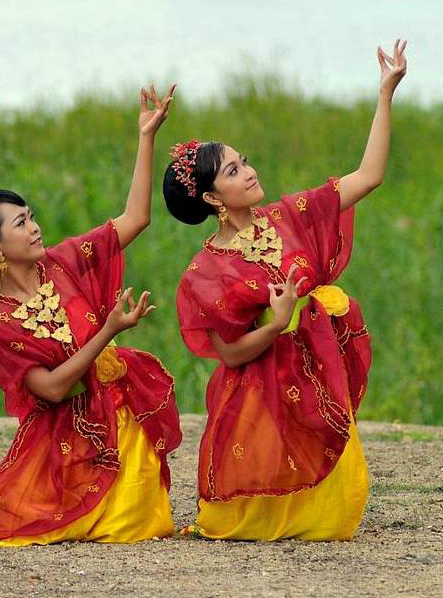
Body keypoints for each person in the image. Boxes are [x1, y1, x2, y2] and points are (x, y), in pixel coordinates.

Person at [165, 41, 407, 540]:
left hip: (318, 366)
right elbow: (230, 353)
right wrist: (276, 323)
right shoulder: (205, 271)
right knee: (261, 516)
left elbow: (370, 176)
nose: (249, 171)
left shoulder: (290, 213)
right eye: (233, 171)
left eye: (244, 160)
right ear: (212, 197)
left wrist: (385, 94)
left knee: (334, 519)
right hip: (262, 386)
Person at [0, 85, 182, 545]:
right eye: (20, 224)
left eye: (31, 217)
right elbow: (52, 389)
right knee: (30, 521)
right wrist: (109, 330)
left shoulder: (65, 260)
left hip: (116, 408)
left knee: (139, 523)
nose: (35, 228)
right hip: (64, 430)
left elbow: (134, 219)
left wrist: (146, 138)